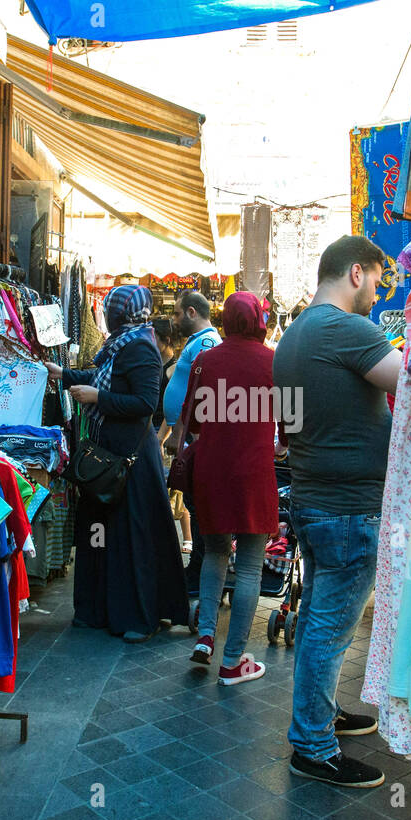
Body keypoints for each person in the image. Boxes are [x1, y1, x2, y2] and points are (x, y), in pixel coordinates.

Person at [272, 235, 401, 788]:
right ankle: (312, 745)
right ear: (354, 272)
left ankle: (319, 718)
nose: (377, 291)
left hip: (315, 501)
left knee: (322, 622)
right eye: (376, 278)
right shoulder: (349, 330)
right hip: (348, 510)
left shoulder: (292, 337)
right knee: (328, 627)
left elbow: (290, 423)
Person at [45, 284, 187, 643]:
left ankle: (137, 616)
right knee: (102, 537)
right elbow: (105, 377)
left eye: (111, 309)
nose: (107, 314)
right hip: (108, 459)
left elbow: (143, 402)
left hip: (130, 463)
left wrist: (99, 398)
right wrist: (65, 376)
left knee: (131, 538)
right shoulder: (122, 343)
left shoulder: (139, 346)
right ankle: (99, 610)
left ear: (122, 313)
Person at [177, 292, 280, 685]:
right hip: (254, 475)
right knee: (251, 564)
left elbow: (194, 422)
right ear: (258, 320)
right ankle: (234, 659)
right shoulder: (275, 361)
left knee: (216, 552)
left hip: (211, 473)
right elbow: (291, 423)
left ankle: (205, 635)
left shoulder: (206, 360)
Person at [163, 289, 221, 595]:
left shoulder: (207, 343)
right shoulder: (198, 343)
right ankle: (197, 566)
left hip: (193, 439)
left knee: (197, 506)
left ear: (191, 313)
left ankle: (198, 569)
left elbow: (203, 392)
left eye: (176, 313)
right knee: (192, 502)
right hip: (187, 437)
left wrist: (184, 433)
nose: (173, 319)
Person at [151, 317, 192, 551]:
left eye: (153, 337)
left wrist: (162, 437)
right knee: (167, 489)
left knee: (175, 490)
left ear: (166, 340)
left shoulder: (174, 367)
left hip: (165, 432)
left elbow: (175, 404)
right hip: (155, 431)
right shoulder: (157, 364)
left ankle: (186, 538)